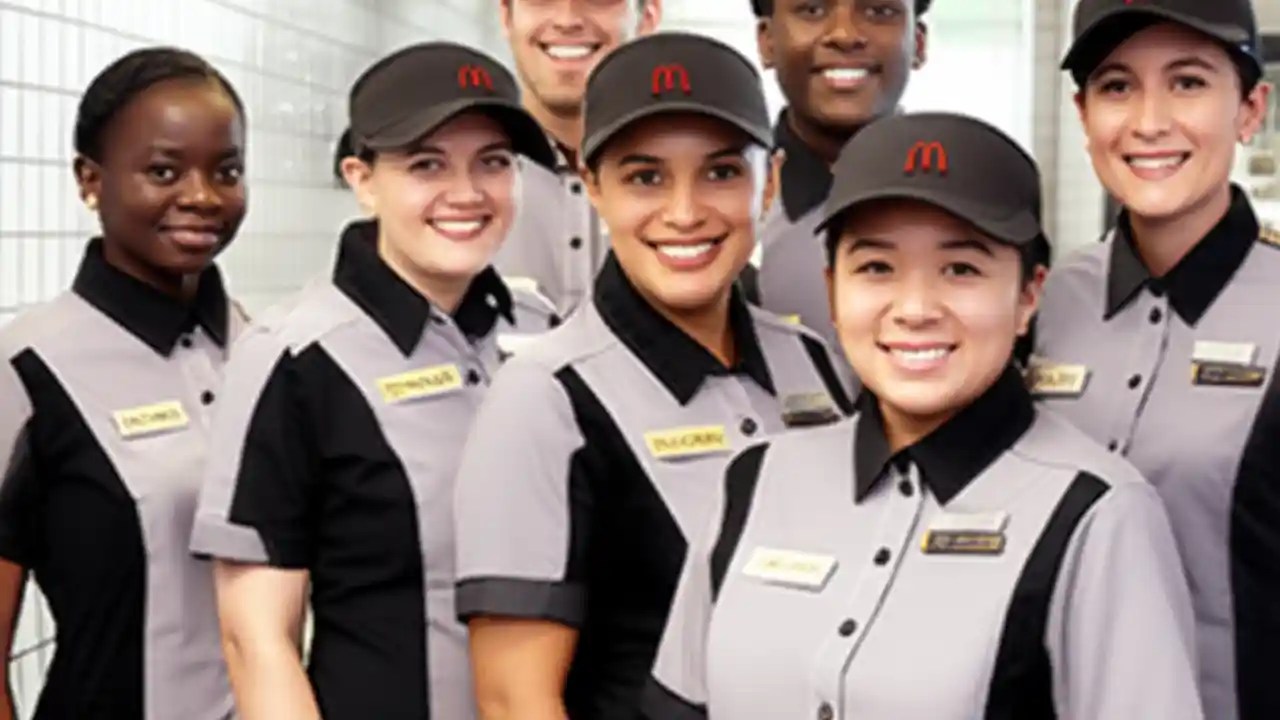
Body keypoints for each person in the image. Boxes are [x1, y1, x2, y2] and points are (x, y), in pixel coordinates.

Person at [643, 111, 1204, 720]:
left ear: (1028, 296)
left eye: (961, 269)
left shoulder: (1098, 514)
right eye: (876, 268)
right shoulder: (753, 482)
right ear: (833, 290)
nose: (914, 308)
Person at [453, 32, 855, 720]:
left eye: (723, 172)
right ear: (595, 186)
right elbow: (515, 698)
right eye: (645, 177)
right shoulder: (547, 397)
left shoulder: (814, 362)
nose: (685, 211)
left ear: (772, 185)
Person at [187, 43, 559, 720]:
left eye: (494, 163)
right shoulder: (294, 359)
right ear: (362, 178)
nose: (467, 193)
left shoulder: (547, 335)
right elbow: (256, 641)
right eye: (427, 164)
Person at [1034, 1, 1275, 718]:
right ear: (1083, 116)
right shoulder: (1036, 303)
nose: (1148, 121)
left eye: (1189, 82)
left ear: (1250, 109)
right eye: (1116, 86)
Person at [0, 47, 249, 719]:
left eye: (225, 171)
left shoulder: (268, 354)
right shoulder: (25, 369)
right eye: (163, 170)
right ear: (90, 180)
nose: (201, 196)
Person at [747, 0, 930, 352]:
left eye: (879, 11)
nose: (845, 35)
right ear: (767, 41)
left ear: (918, 44)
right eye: (812, 10)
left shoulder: (980, 206)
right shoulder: (721, 216)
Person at [494, 0, 662, 317]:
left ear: (647, 17)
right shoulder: (448, 197)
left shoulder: (702, 194)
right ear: (507, 15)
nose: (567, 19)